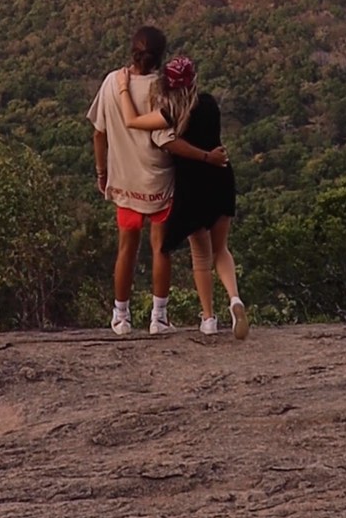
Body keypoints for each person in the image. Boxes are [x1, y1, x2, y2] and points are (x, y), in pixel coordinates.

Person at [87, 27, 227, 337]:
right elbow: (167, 140)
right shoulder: (162, 90)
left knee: (126, 248)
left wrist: (102, 172)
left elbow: (99, 132)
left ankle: (121, 317)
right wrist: (205, 157)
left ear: (132, 52)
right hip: (158, 181)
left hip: (124, 179)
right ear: (161, 56)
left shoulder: (113, 81)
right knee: (160, 249)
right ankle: (158, 317)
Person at [118, 55, 249, 340]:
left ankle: (209, 319)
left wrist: (123, 88)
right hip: (222, 177)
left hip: (193, 188)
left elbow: (132, 121)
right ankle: (235, 299)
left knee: (201, 256)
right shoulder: (210, 104)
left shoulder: (171, 114)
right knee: (221, 250)